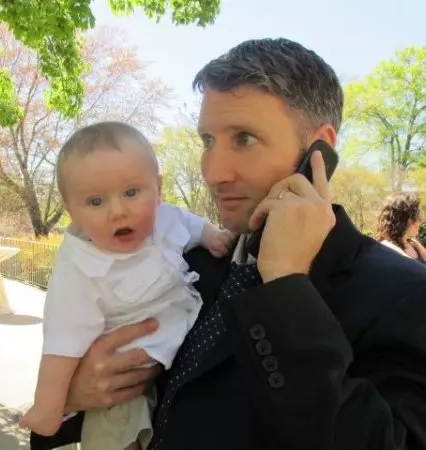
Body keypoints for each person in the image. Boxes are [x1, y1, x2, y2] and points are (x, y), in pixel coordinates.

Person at [31, 38, 426, 450]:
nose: (213, 172)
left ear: (318, 152)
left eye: (245, 139)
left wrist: (286, 289)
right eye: (207, 141)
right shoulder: (186, 261)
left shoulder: (406, 295)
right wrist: (74, 398)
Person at [21, 121, 234, 450]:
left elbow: (191, 224)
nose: (118, 211)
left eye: (132, 192)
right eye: (95, 202)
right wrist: (51, 407)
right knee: (117, 432)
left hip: (172, 359)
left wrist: (212, 236)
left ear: (158, 189)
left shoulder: (166, 218)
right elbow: (61, 344)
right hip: (121, 376)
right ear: (70, 211)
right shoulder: (81, 268)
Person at [375, 191, 426, 263]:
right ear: (403, 220)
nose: (418, 223)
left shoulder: (414, 245)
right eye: (416, 217)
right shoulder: (385, 250)